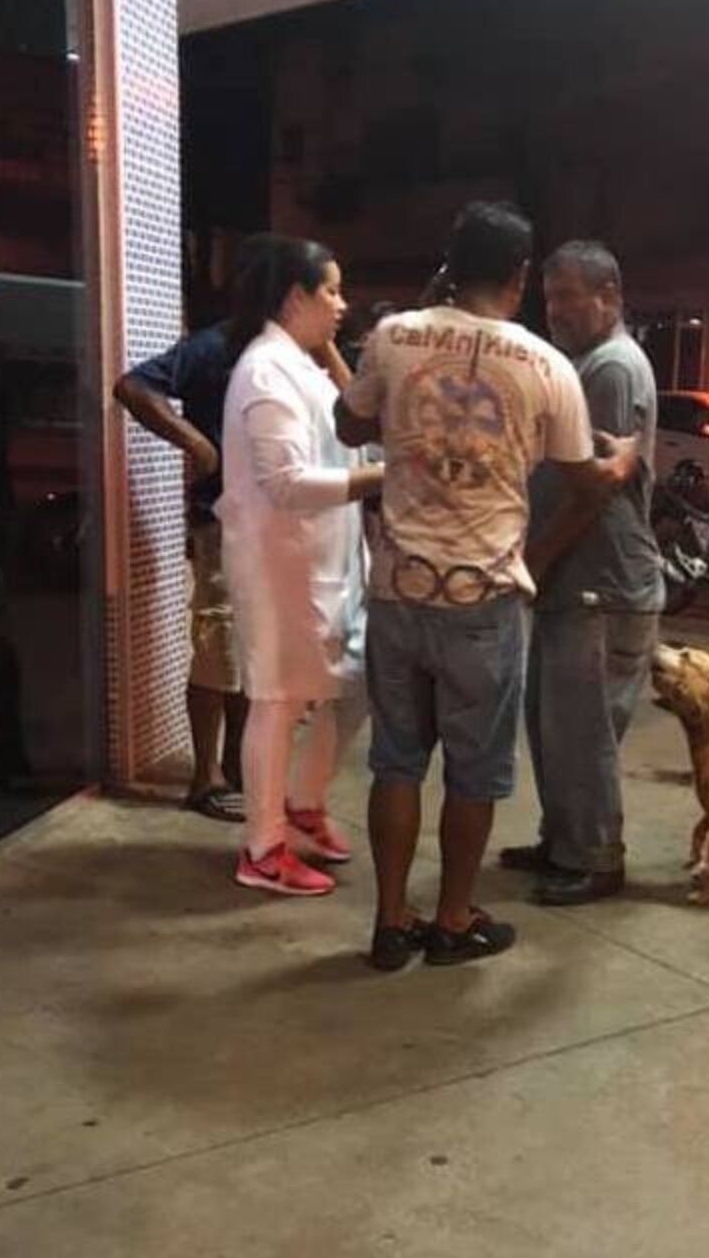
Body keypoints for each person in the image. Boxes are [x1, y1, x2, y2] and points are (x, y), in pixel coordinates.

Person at [334, 201, 639, 972]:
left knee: (396, 762)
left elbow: (346, 425)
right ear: (521, 276)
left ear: (449, 262)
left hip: (398, 589)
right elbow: (586, 483)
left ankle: (389, 923)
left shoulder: (394, 335)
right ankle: (452, 919)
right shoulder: (545, 365)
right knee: (474, 771)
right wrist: (626, 459)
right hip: (484, 599)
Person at [498, 240, 663, 906]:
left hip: (602, 582)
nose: (557, 309)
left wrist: (534, 558)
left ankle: (595, 856)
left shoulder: (611, 369)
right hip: (578, 582)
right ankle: (563, 840)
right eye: (550, 296)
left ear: (610, 294)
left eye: (569, 295)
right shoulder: (584, 363)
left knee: (583, 731)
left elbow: (590, 491)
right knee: (554, 723)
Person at [217, 236, 383, 896]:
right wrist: (382, 477)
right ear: (296, 296)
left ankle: (303, 802)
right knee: (278, 701)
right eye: (332, 291)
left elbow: (348, 434)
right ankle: (262, 847)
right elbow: (285, 482)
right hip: (280, 566)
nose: (342, 304)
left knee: (355, 684)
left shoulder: (302, 366)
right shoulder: (264, 372)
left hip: (326, 562)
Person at [114, 249, 268, 822]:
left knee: (250, 658)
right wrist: (195, 443)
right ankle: (203, 779)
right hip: (221, 524)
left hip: (269, 527)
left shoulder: (281, 355)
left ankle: (234, 765)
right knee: (217, 650)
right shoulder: (215, 345)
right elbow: (133, 386)